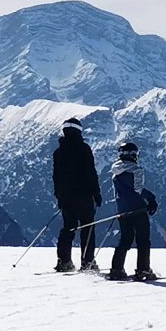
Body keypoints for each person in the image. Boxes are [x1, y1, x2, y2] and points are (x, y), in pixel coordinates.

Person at [52, 117, 102, 273]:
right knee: (87, 228)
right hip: (84, 195)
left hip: (66, 196)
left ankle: (64, 261)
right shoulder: (84, 149)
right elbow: (90, 172)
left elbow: (56, 176)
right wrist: (96, 192)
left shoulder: (58, 152)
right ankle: (87, 262)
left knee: (68, 228)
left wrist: (58, 196)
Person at [108, 141, 159, 281]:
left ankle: (116, 269)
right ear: (133, 155)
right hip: (138, 209)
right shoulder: (136, 170)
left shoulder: (115, 172)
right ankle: (143, 270)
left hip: (122, 211)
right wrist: (152, 199)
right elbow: (138, 189)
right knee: (143, 240)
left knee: (125, 239)